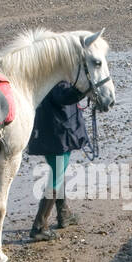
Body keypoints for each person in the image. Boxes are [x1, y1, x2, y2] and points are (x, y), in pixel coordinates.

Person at [27, 82, 90, 241]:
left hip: (50, 129)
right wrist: (84, 89)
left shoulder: (47, 70)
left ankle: (64, 214)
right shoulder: (58, 75)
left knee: (58, 172)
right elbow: (63, 96)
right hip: (58, 131)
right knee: (56, 176)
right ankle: (39, 225)